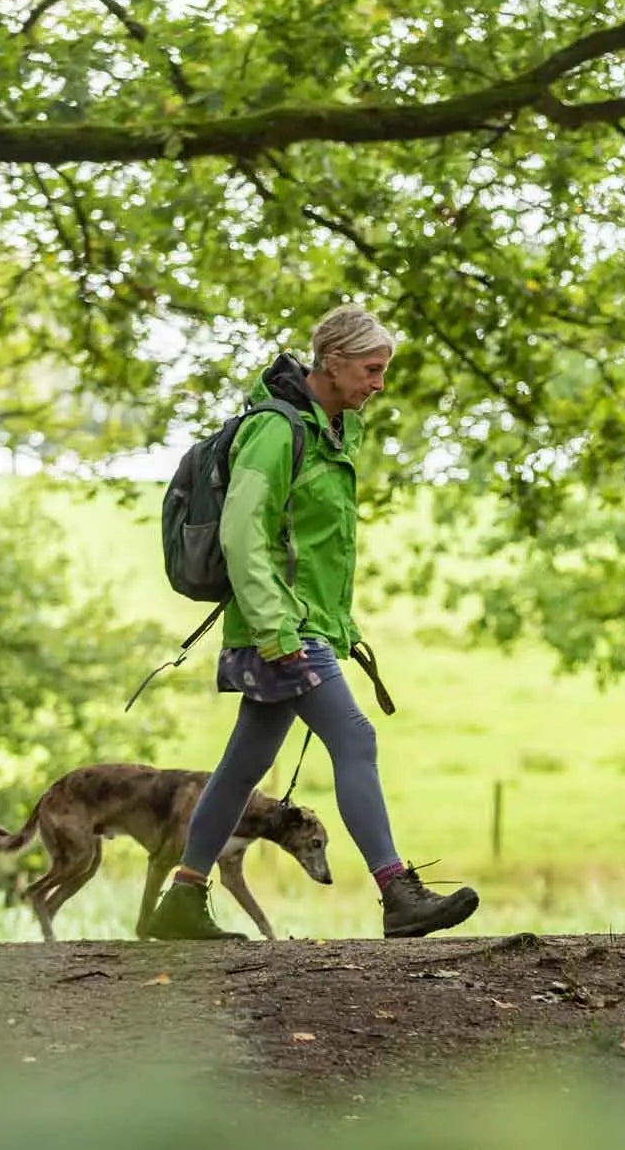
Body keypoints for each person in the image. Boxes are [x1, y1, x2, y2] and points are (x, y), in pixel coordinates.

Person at [147, 304, 480, 940]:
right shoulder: (277, 433)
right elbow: (245, 537)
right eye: (371, 369)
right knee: (355, 739)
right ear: (331, 362)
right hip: (279, 631)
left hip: (306, 627)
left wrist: (339, 628)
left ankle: (183, 900)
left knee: (243, 767)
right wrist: (277, 633)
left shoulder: (329, 432)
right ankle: (397, 893)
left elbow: (315, 547)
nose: (379, 383)